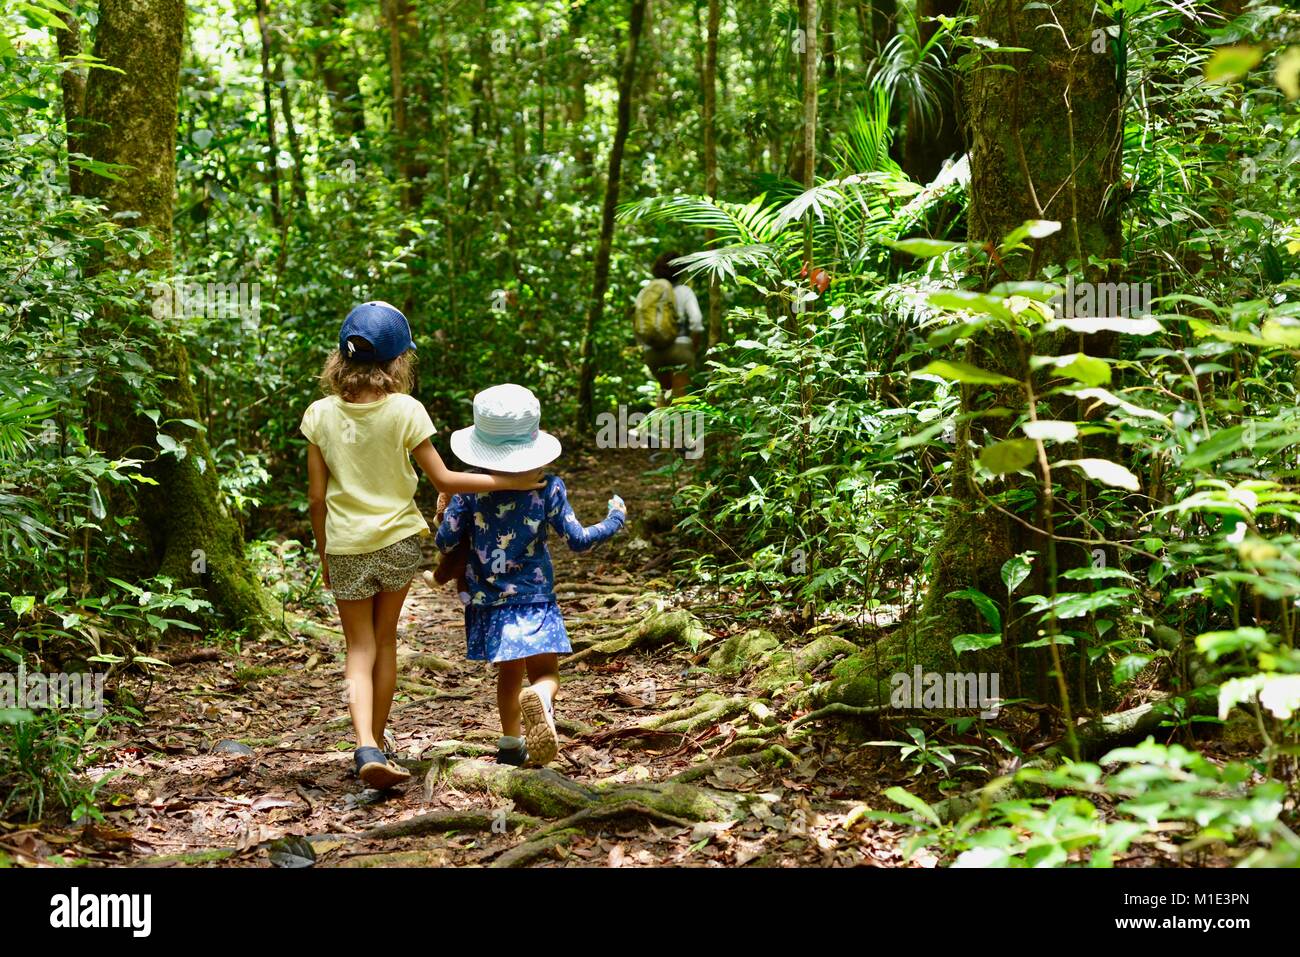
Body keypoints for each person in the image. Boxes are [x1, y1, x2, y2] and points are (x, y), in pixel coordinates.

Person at [300, 302, 545, 790]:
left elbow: (315, 497)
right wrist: (508, 479)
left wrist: (325, 554)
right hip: (395, 541)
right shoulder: (406, 410)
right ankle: (378, 742)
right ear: (397, 362)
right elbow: (444, 477)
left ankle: (365, 744)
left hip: (345, 546)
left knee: (357, 647)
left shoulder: (320, 414)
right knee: (386, 641)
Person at [431, 383, 626, 766]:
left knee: (508, 674)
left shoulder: (467, 492)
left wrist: (442, 513)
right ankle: (541, 698)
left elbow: (445, 542)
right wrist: (614, 520)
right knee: (545, 674)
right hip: (535, 598)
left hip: (491, 602)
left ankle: (509, 744)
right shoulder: (548, 488)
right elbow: (578, 540)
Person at [635, 251, 705, 405]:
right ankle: (682, 429)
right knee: (681, 397)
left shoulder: (645, 293)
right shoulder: (684, 292)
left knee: (665, 392)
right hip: (679, 349)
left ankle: (659, 428)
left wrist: (645, 347)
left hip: (652, 352)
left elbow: (638, 324)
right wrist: (692, 348)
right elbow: (697, 322)